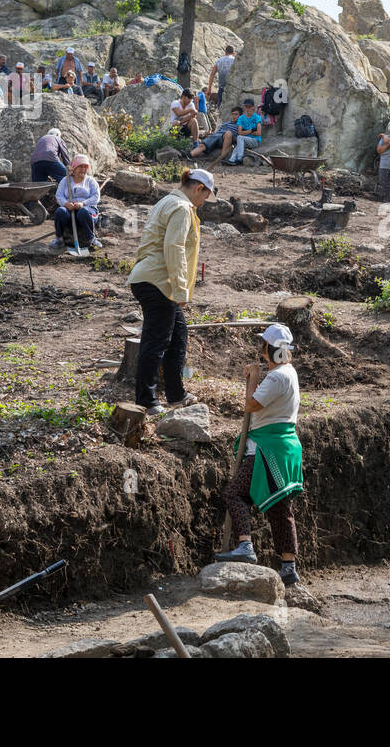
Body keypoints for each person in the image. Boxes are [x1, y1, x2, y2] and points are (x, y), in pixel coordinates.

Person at [213, 322, 304, 587]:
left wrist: (253, 378)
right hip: (284, 447)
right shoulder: (290, 373)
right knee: (279, 507)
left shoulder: (277, 377)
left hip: (269, 450)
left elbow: (251, 404)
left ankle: (245, 546)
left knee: (235, 493)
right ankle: (289, 567)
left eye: (263, 344)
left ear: (270, 348)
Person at [127, 168, 214, 416]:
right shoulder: (182, 208)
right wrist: (180, 289)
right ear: (199, 188)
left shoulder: (168, 200)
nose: (203, 202)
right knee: (156, 341)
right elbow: (173, 247)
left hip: (151, 277)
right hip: (159, 280)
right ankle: (146, 400)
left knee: (178, 336)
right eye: (205, 196)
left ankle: (176, 394)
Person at [51, 155, 102, 252]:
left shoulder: (90, 181)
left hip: (88, 209)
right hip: (70, 209)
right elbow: (59, 195)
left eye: (85, 167)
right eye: (80, 166)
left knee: (83, 212)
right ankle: (59, 239)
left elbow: (96, 196)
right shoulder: (65, 180)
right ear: (74, 168)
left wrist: (83, 203)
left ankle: (91, 238)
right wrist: (66, 204)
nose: (83, 169)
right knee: (60, 211)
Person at [224, 97, 263, 166]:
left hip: (255, 141)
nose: (247, 108)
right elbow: (240, 132)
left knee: (240, 138)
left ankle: (239, 158)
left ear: (253, 107)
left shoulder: (257, 117)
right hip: (244, 140)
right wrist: (251, 130)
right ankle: (232, 160)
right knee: (238, 145)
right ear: (244, 107)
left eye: (249, 106)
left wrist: (245, 132)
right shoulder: (242, 118)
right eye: (246, 106)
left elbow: (258, 133)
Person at [207, 45, 236, 109]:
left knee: (221, 108)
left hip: (222, 88)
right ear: (234, 53)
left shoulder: (219, 61)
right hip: (233, 88)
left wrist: (209, 88)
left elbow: (212, 74)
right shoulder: (235, 60)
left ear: (225, 52)